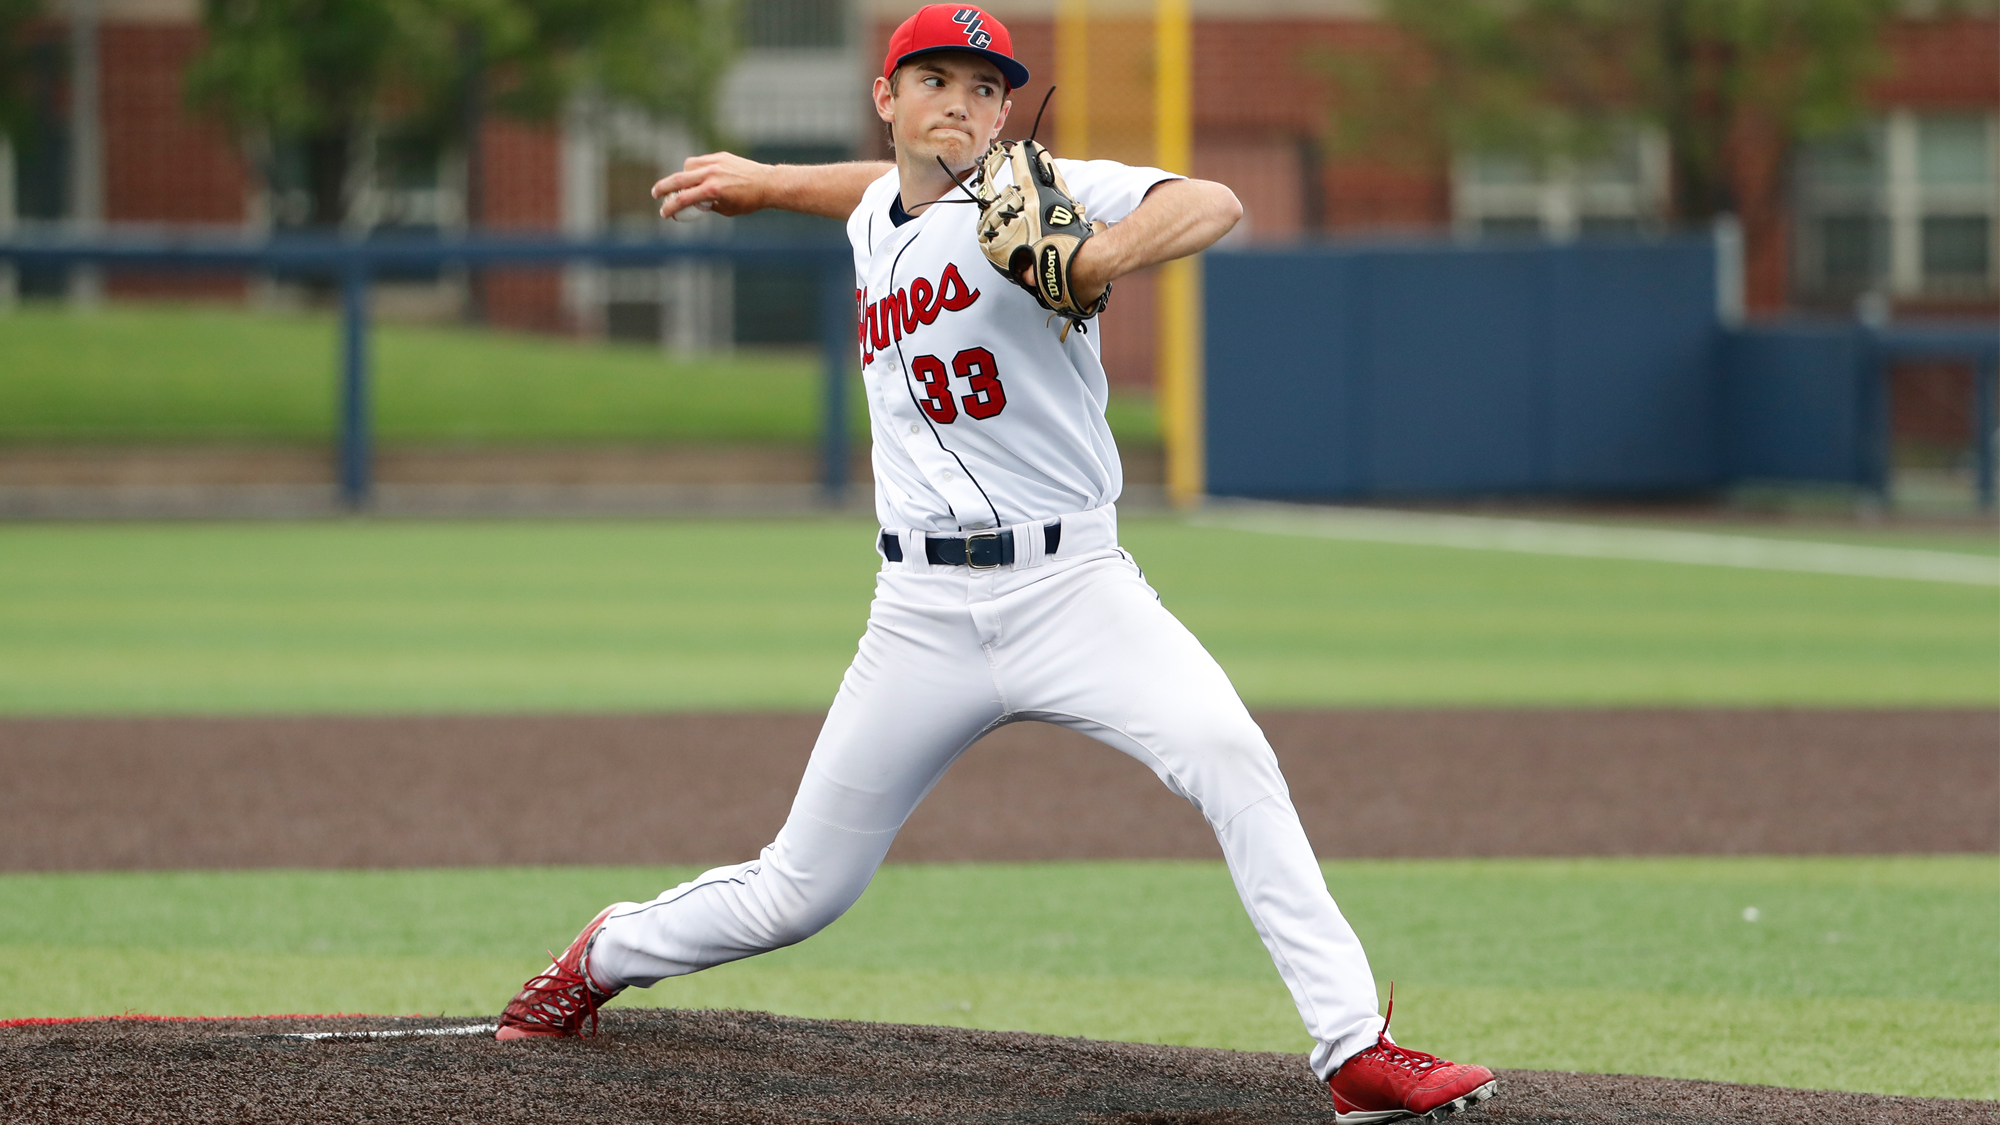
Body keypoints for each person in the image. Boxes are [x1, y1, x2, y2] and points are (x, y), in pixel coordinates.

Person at [495, 6, 1498, 1121]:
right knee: (801, 890)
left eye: (984, 87)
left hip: (1073, 590)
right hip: (918, 611)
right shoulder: (879, 213)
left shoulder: (1043, 196)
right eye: (934, 79)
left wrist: (1092, 258)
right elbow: (873, 195)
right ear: (887, 99)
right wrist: (768, 183)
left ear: (1006, 110)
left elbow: (1211, 201)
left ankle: (1352, 1049)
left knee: (1227, 752)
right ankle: (605, 953)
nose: (961, 104)